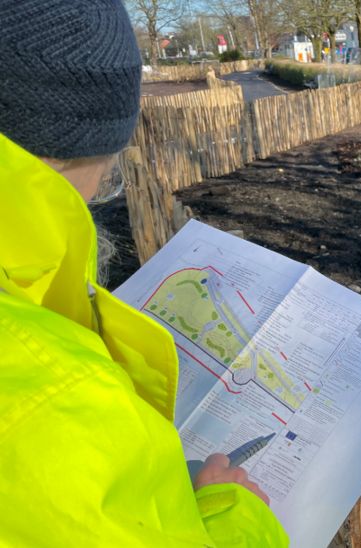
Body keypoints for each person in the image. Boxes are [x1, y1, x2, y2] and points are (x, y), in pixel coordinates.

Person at [0, 1, 288, 545]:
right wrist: (235, 515)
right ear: (57, 162)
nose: (96, 196)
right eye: (104, 178)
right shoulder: (58, 406)